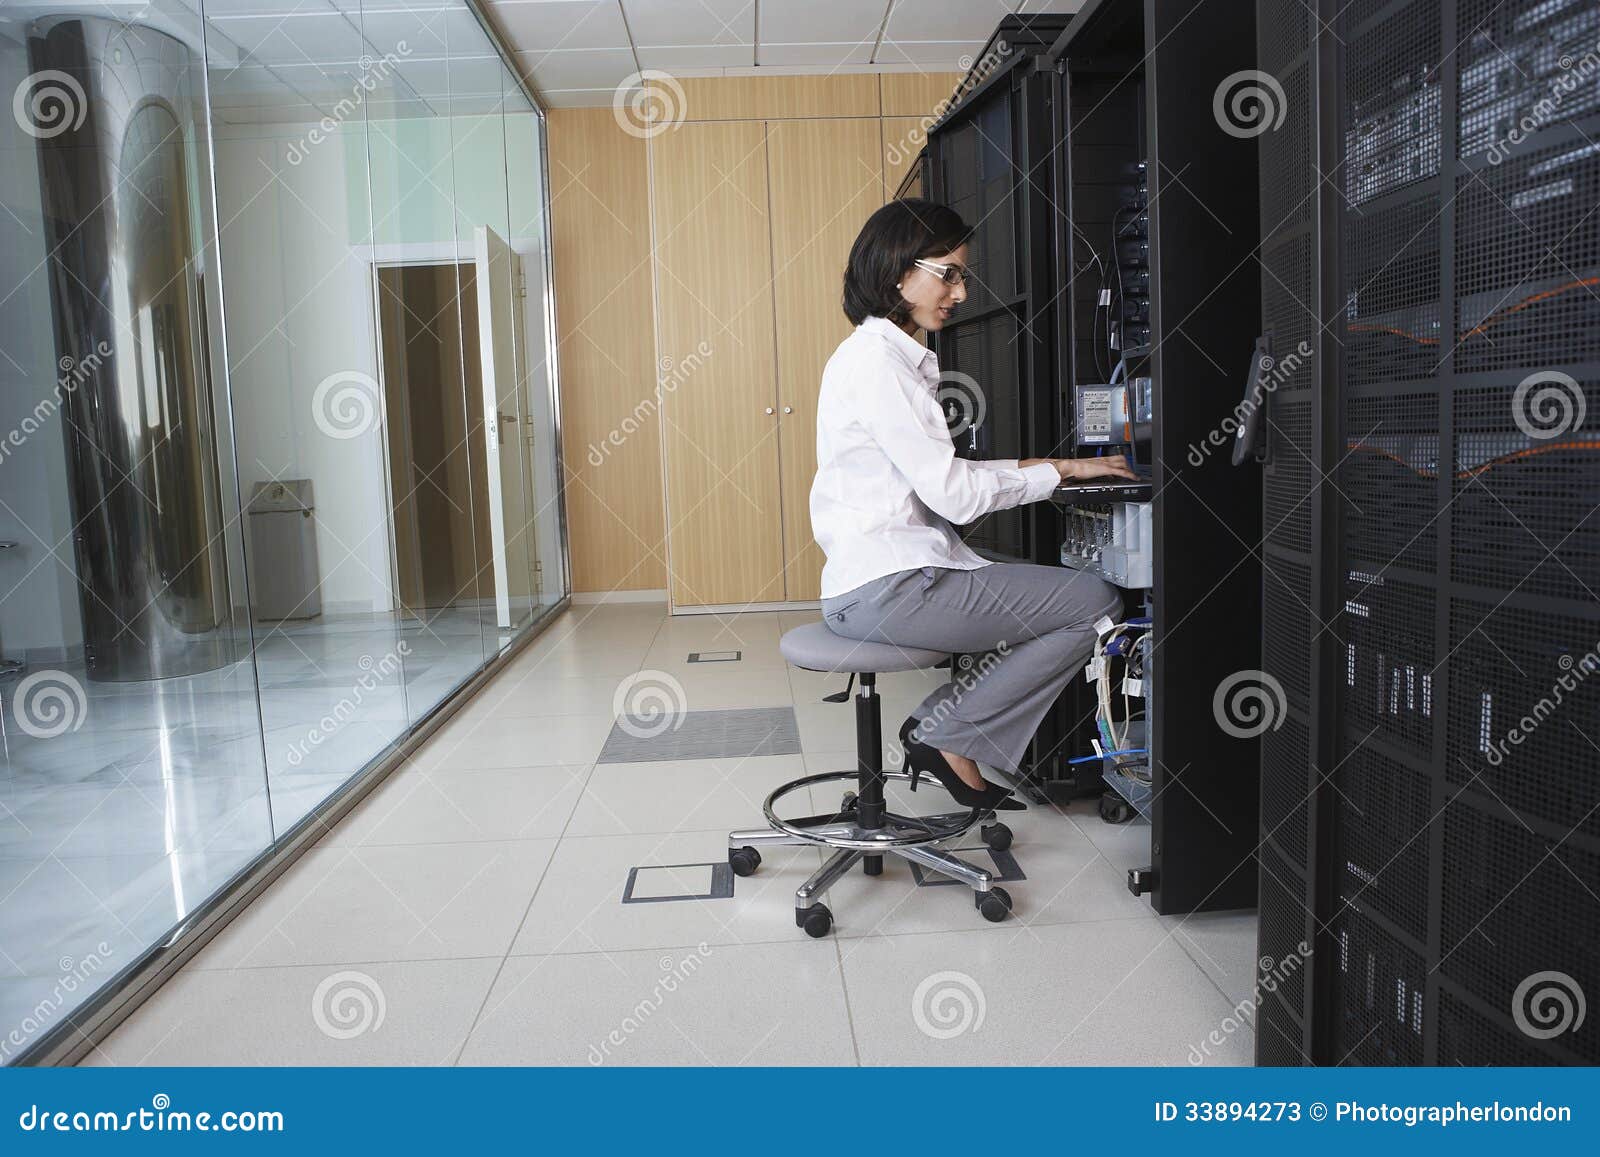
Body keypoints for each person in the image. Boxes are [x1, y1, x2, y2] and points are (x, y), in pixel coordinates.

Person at [811, 198, 1135, 811]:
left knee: (1030, 590)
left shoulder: (874, 357)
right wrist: (1048, 478)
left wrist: (1059, 467)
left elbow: (945, 475)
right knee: (1093, 603)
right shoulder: (880, 366)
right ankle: (947, 733)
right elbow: (954, 496)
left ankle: (943, 730)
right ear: (898, 271)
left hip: (868, 585)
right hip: (892, 589)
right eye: (948, 274)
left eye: (962, 275)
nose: (959, 293)